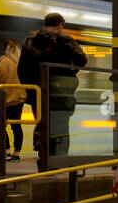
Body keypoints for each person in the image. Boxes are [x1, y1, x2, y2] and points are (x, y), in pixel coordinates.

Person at [21, 12, 87, 161]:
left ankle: (43, 159)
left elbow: (22, 70)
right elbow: (82, 60)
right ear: (60, 25)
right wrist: (72, 70)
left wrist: (31, 91)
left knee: (42, 125)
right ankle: (59, 160)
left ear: (45, 25)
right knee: (61, 127)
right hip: (61, 94)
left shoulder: (30, 43)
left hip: (38, 94)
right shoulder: (65, 41)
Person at [0, 40, 27, 161]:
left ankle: (5, 152)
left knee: (0, 125)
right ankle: (16, 153)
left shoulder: (5, 61)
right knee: (16, 126)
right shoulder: (20, 62)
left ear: (6, 49)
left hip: (6, 99)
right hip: (19, 98)